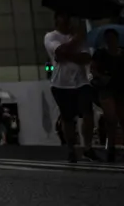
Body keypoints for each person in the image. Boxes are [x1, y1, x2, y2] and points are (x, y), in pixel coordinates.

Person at [44, 12, 98, 163]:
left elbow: (86, 58)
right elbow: (58, 52)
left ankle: (87, 147)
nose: (67, 20)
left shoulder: (79, 37)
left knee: (87, 113)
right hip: (61, 83)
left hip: (81, 82)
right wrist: (76, 41)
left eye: (69, 17)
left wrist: (68, 51)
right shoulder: (51, 36)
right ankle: (71, 149)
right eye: (64, 16)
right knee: (68, 118)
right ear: (56, 19)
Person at [91, 28, 124, 165]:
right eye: (108, 39)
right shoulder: (100, 54)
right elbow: (93, 68)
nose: (111, 42)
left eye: (113, 38)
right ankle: (111, 148)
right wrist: (101, 77)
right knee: (111, 119)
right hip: (108, 88)